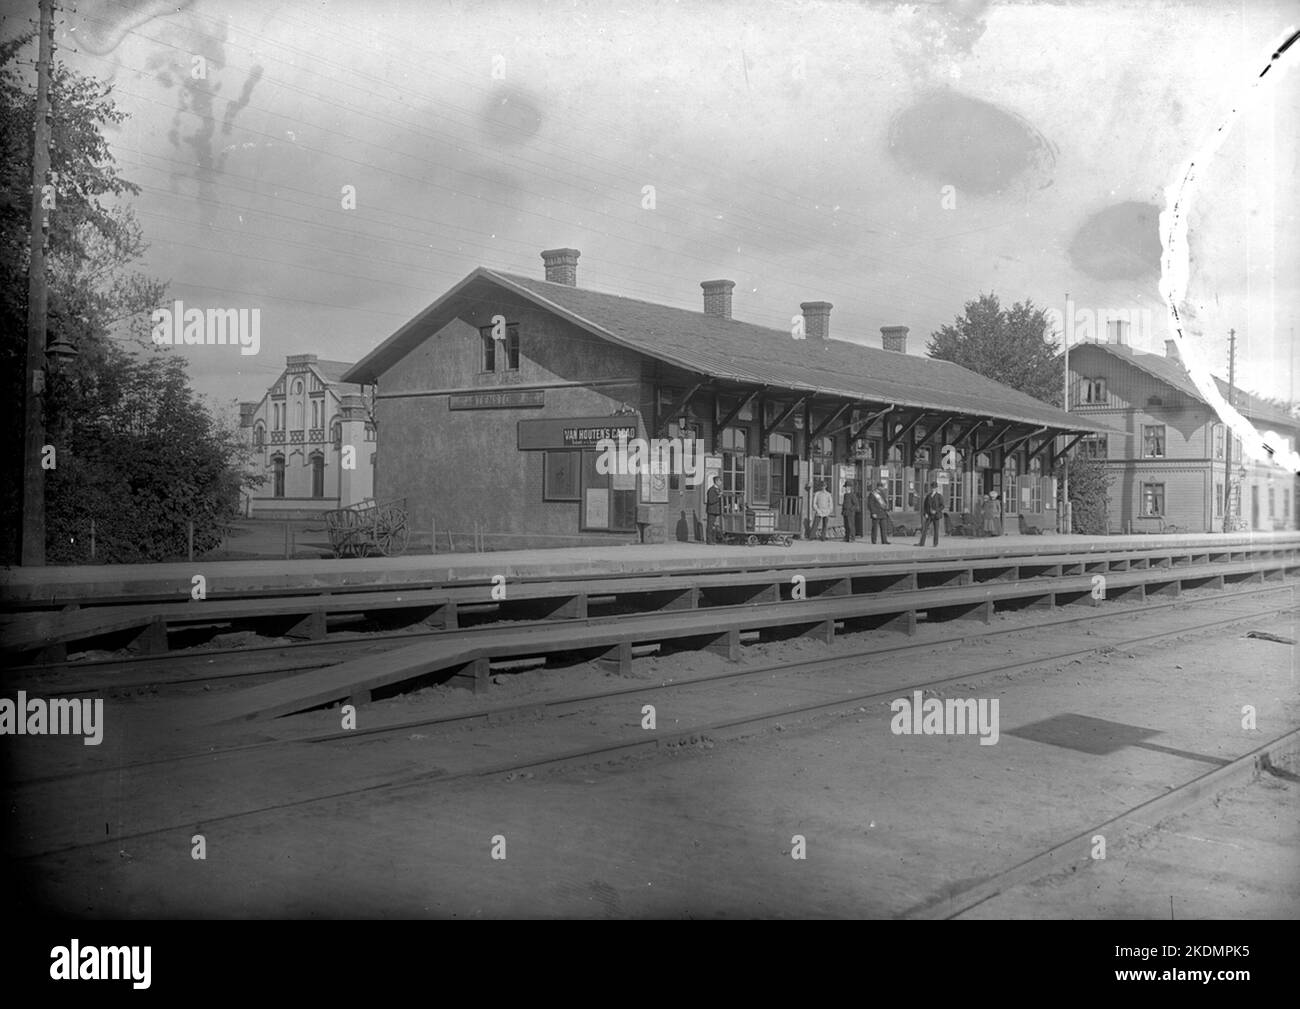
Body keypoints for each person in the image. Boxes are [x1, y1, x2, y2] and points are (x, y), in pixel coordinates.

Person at [917, 481, 944, 547]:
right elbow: (925, 506)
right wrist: (925, 513)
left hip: (936, 515)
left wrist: (936, 511)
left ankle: (935, 543)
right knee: (925, 529)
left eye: (934, 488)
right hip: (929, 515)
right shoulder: (928, 496)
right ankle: (921, 543)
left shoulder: (939, 496)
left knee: (936, 530)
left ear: (936, 488)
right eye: (932, 488)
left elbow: (942, 506)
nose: (933, 489)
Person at [706, 475, 723, 544]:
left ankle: (714, 539)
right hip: (712, 510)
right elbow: (711, 500)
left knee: (715, 526)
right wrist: (718, 496)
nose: (721, 482)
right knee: (710, 526)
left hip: (717, 510)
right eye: (720, 481)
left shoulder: (718, 489)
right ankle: (709, 540)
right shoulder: (711, 490)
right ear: (716, 481)